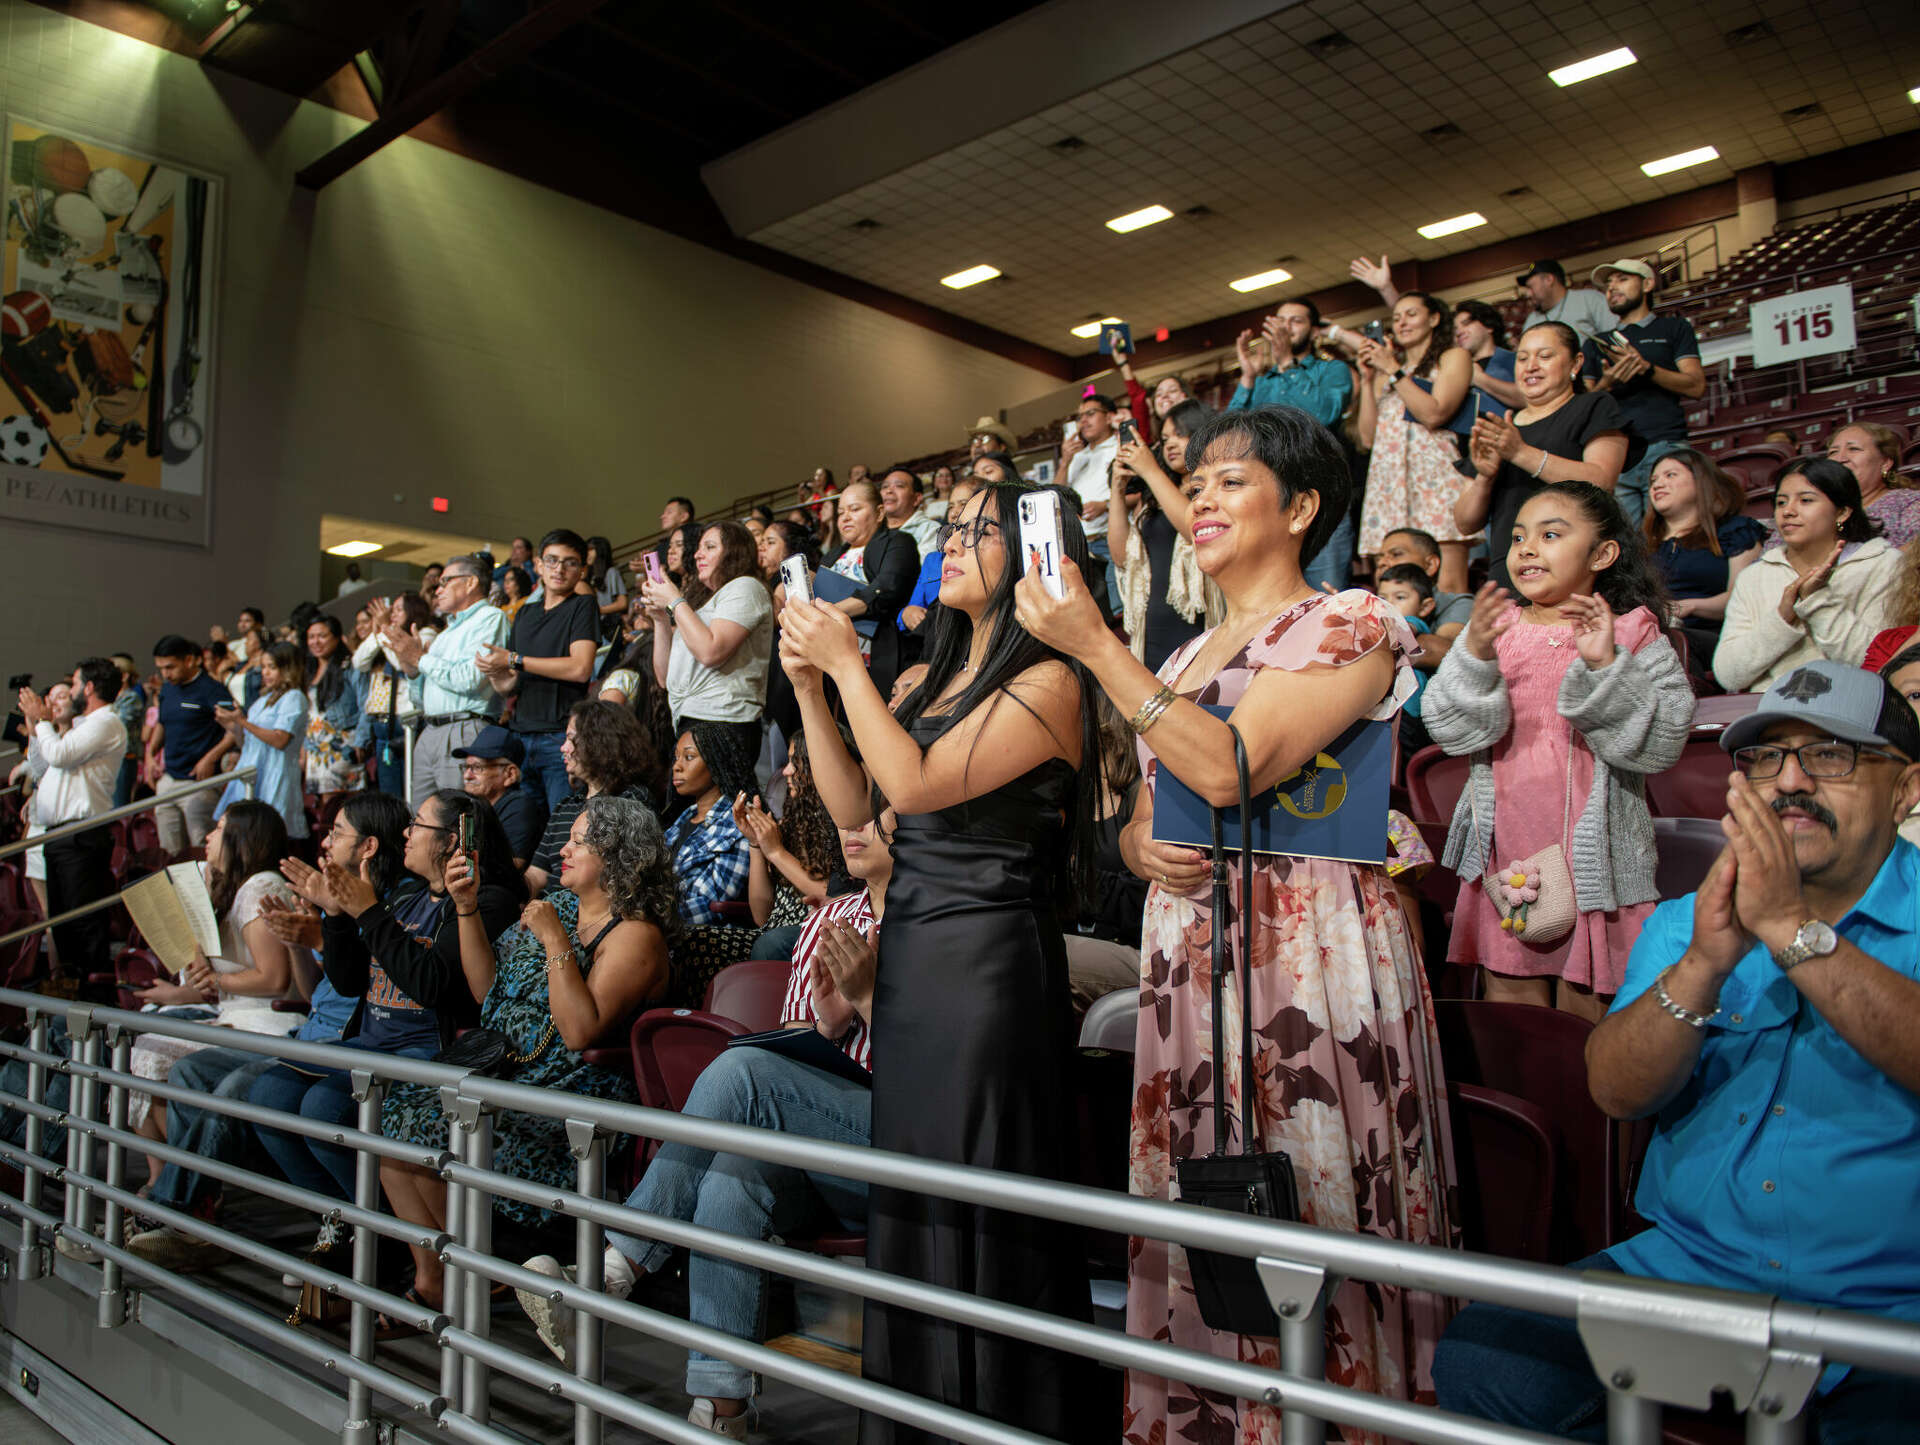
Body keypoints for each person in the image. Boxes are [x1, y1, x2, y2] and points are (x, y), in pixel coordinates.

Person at [1008, 405, 1457, 1436]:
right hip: (1193, 954)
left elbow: (1226, 768)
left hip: (1305, 951)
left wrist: (1095, 643)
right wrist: (1138, 847)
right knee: (1206, 1190)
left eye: (1230, 480)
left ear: (1300, 508)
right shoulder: (1183, 656)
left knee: (1310, 1185)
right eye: (1196, 480)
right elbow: (1142, 812)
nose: (1200, 498)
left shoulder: (1350, 622)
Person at [1436, 660, 1920, 1441]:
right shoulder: (1691, 919)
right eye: (1765, 757)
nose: (1790, 780)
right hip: (1697, 1273)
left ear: (1906, 789)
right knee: (1486, 1359)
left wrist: (1791, 930)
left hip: (1890, 1305)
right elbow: (1616, 1091)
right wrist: (1703, 963)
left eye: (1830, 755)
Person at [781, 476, 1106, 1443]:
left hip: (988, 967)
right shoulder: (931, 678)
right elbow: (857, 810)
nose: (952, 543)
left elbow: (918, 785)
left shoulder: (1052, 681)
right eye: (951, 527)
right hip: (917, 959)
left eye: (979, 530)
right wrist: (810, 688)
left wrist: (847, 665)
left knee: (985, 1204)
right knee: (915, 1200)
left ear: (1038, 553)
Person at [516, 805, 890, 1439]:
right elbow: (793, 1046)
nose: (852, 830)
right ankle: (721, 1415)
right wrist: (828, 1026)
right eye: (847, 819)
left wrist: (871, 1001)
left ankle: (612, 1274)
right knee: (730, 1177)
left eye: (873, 820)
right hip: (814, 1153)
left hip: (894, 1145)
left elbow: (943, 1081)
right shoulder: (828, 917)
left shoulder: (933, 927)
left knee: (742, 1070)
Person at [381, 797, 670, 1312]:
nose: (563, 850)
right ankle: (439, 1277)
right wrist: (466, 908)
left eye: (578, 842)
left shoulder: (635, 936)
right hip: (509, 1072)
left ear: (618, 854)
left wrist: (556, 941)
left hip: (570, 1094)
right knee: (395, 1115)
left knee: (419, 1124)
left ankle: (475, 1270)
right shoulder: (558, 907)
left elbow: (579, 1031)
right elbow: (486, 991)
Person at [1428, 483, 1693, 1016]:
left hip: (1597, 864)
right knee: (1516, 1013)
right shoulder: (1493, 628)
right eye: (1518, 537)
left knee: (1590, 1012)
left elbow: (1662, 742)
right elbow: (1450, 729)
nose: (1527, 548)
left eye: (1550, 535)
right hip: (1507, 850)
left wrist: (1605, 666)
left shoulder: (1632, 631)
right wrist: (1475, 656)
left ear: (1602, 554)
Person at [123, 797, 404, 1269]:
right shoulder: (332, 901)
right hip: (308, 1035)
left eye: (337, 832)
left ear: (369, 846)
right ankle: (197, 1212)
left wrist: (322, 933)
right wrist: (298, 943)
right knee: (190, 1072)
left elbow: (364, 987)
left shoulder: (385, 906)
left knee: (243, 1089)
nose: (325, 841)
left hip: (337, 1045)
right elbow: (314, 991)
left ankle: (173, 1212)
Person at [257, 791, 526, 1221]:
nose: (406, 832)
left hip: (427, 1050)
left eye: (418, 824)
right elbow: (348, 982)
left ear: (450, 840)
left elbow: (431, 986)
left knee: (324, 1107)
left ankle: (384, 1227)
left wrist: (368, 912)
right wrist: (337, 914)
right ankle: (340, 1217)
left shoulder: (487, 902)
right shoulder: (406, 898)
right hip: (370, 1043)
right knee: (268, 1094)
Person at [122, 802, 314, 1177]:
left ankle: (175, 1186)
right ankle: (166, 1182)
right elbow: (216, 974)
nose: (209, 837)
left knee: (151, 1052)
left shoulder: (261, 887)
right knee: (145, 1047)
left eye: (220, 828)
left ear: (242, 839)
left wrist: (215, 982)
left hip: (266, 1023)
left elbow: (274, 978)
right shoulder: (236, 887)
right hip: (235, 1015)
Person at [1455, 322, 1630, 591]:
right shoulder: (1499, 428)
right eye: (1522, 358)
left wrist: (1520, 452)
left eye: (1545, 356)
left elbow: (1601, 482)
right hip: (1510, 577)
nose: (1531, 366)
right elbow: (1465, 523)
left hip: (1574, 578)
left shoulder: (1593, 406)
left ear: (1575, 363)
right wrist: (1485, 478)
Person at [1715, 458, 1900, 693]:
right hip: (1767, 709)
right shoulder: (1754, 576)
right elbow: (1729, 675)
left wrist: (1817, 601)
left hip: (1853, 702)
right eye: (1781, 502)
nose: (1788, 511)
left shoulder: (1883, 565)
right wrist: (1782, 618)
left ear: (1842, 512)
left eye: (1805, 500)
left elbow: (1881, 663)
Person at [1229, 299, 1357, 590]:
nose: (1286, 327)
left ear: (1314, 331)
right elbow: (1229, 438)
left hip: (1323, 500)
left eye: (1296, 321)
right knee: (1274, 598)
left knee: (1326, 597)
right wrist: (1248, 377)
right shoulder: (1263, 382)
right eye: (1281, 321)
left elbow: (1324, 414)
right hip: (1269, 504)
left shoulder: (1332, 370)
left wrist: (1287, 363)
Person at [1355, 291, 1476, 593]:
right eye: (1396, 318)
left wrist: (1394, 370)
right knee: (1394, 586)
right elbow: (1368, 438)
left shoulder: (1452, 357)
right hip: (1389, 485)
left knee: (1448, 584)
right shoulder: (1386, 371)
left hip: (1435, 479)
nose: (1402, 323)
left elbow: (1435, 414)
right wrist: (1368, 381)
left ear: (1434, 318)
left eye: (1411, 314)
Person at [19, 658, 127, 987]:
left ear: (89, 688)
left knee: (82, 921)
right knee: (62, 922)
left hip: (81, 835)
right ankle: (67, 989)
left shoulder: (105, 721)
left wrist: (42, 721)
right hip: (59, 835)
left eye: (76, 684)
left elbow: (60, 756)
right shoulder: (81, 725)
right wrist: (37, 725)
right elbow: (43, 766)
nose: (73, 689)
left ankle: (90, 995)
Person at [479, 530, 600, 809]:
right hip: (520, 736)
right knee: (523, 824)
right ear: (539, 565)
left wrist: (514, 660)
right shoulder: (525, 613)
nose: (559, 569)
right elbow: (511, 684)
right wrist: (495, 671)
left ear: (582, 571)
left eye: (570, 562)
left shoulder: (583, 605)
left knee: (562, 824)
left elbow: (581, 668)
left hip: (559, 736)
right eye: (552, 560)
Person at [1582, 258, 1705, 526]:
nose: (1612, 288)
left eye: (1622, 279)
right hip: (1615, 455)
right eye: (1608, 283)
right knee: (1627, 542)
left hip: (1665, 445)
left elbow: (1696, 385)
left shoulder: (1674, 328)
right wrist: (1606, 383)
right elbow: (1583, 404)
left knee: (1676, 532)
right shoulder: (1595, 343)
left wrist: (1646, 368)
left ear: (1647, 284)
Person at [377, 556, 508, 802]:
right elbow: (421, 699)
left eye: (445, 581)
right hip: (430, 729)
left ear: (471, 582)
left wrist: (419, 658)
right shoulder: (446, 633)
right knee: (422, 816)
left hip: (465, 727)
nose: (438, 590)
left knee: (458, 815)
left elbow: (470, 680)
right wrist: (411, 667)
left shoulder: (490, 618)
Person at [643, 520, 773, 758]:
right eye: (699, 548)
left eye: (710, 547)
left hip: (724, 722)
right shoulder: (702, 604)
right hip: (691, 721)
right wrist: (660, 619)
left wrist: (674, 600)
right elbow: (664, 677)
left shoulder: (746, 587)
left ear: (735, 552)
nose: (697, 554)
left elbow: (711, 651)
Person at [1110, 400, 1223, 670]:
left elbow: (1194, 529)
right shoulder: (1154, 495)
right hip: (1152, 629)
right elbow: (1122, 556)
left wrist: (1150, 470)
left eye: (1180, 434)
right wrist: (1117, 487)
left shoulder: (1216, 489)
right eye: (1164, 439)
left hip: (1197, 625)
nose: (1170, 444)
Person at [1644, 448, 1766, 672]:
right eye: (1653, 480)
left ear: (1701, 480)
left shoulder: (1734, 530)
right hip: (1654, 632)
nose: (1657, 485)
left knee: (1665, 642)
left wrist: (1689, 606)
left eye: (1670, 475)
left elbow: (1743, 598)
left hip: (1715, 636)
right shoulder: (1642, 543)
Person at [729, 726, 844, 960]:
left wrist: (776, 851)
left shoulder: (846, 824)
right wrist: (756, 844)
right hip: (769, 934)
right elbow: (762, 916)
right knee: (693, 941)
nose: (786, 771)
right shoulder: (791, 823)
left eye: (796, 762)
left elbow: (831, 898)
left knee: (769, 944)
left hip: (817, 935)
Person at [525, 701, 660, 895]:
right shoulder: (566, 805)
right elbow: (536, 875)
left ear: (599, 742)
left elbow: (621, 879)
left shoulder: (630, 801)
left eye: (571, 739)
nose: (563, 748)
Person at [818, 477, 920, 701]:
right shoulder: (831, 556)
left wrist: (828, 611)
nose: (845, 517)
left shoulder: (898, 542)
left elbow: (886, 588)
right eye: (841, 512)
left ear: (880, 512)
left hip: (877, 651)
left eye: (855, 509)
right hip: (830, 655)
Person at [150, 633, 237, 854]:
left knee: (202, 847)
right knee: (168, 850)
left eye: (170, 667)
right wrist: (149, 755)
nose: (165, 674)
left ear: (189, 660)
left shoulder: (212, 689)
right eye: (161, 668)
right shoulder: (167, 688)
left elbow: (234, 730)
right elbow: (162, 723)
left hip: (199, 783)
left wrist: (210, 758)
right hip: (169, 779)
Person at [214, 641, 308, 841]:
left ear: (288, 668)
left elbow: (280, 740)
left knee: (265, 835)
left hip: (275, 773)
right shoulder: (261, 701)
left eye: (272, 667)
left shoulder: (294, 697)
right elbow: (246, 744)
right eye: (263, 667)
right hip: (251, 771)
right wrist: (232, 725)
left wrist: (242, 721)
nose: (265, 673)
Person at [664, 722, 754, 926]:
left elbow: (709, 905)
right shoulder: (684, 818)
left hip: (700, 935)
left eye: (689, 757)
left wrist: (648, 915)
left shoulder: (738, 823)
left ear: (716, 762)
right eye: (676, 758)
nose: (677, 767)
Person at [352, 592, 436, 796]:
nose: (393, 615)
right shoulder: (388, 634)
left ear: (413, 611)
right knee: (389, 794)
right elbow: (359, 662)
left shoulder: (425, 634)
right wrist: (380, 632)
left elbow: (402, 663)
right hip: (383, 726)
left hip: (409, 723)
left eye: (399, 609)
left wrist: (385, 629)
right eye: (393, 610)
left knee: (412, 791)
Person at [453, 725, 546, 869]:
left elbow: (511, 868)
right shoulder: (473, 806)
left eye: (477, 767)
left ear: (510, 774)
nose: (467, 775)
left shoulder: (520, 807)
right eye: (466, 767)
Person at [1060, 393, 1122, 612]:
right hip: (1078, 545)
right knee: (1083, 612)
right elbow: (1056, 495)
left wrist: (1105, 505)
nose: (1083, 421)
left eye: (1090, 414)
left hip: (1108, 541)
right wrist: (1065, 461)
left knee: (1116, 611)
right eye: (1080, 417)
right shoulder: (1077, 456)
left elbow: (1139, 493)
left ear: (1109, 417)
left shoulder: (1120, 448)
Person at [302, 615, 367, 801]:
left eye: (322, 636)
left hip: (342, 746)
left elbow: (365, 704)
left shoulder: (349, 666)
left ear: (337, 637)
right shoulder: (310, 670)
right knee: (326, 806)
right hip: (316, 748)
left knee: (346, 804)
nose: (316, 642)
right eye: (311, 637)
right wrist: (305, 748)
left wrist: (361, 740)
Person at [1827, 422, 1920, 546]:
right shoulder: (1820, 511)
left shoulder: (1910, 504)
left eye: (1853, 449)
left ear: (1885, 463)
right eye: (1833, 452)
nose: (1839, 459)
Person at [1515, 257, 1614, 345]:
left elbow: (1614, 338)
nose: (1528, 294)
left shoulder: (1590, 300)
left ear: (1549, 280)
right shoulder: (1532, 320)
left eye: (1530, 287)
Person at [1452, 298, 1523, 412]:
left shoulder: (1515, 359)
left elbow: (1528, 398)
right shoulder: (1456, 369)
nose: (1458, 332)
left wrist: (1479, 378)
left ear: (1489, 326)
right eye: (1455, 329)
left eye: (1466, 323)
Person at [878, 466, 940, 559]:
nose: (889, 491)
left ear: (916, 498)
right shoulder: (871, 531)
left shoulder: (930, 530)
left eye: (899, 486)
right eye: (885, 487)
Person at [107, 654, 145, 808]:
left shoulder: (131, 698)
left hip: (124, 758)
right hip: (109, 758)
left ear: (124, 676)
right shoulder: (111, 699)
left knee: (118, 807)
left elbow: (117, 725)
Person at [586, 534, 628, 636]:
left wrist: (598, 611)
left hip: (610, 626)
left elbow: (622, 603)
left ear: (600, 551)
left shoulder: (611, 572)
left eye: (591, 549)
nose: (587, 553)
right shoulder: (590, 576)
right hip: (597, 626)